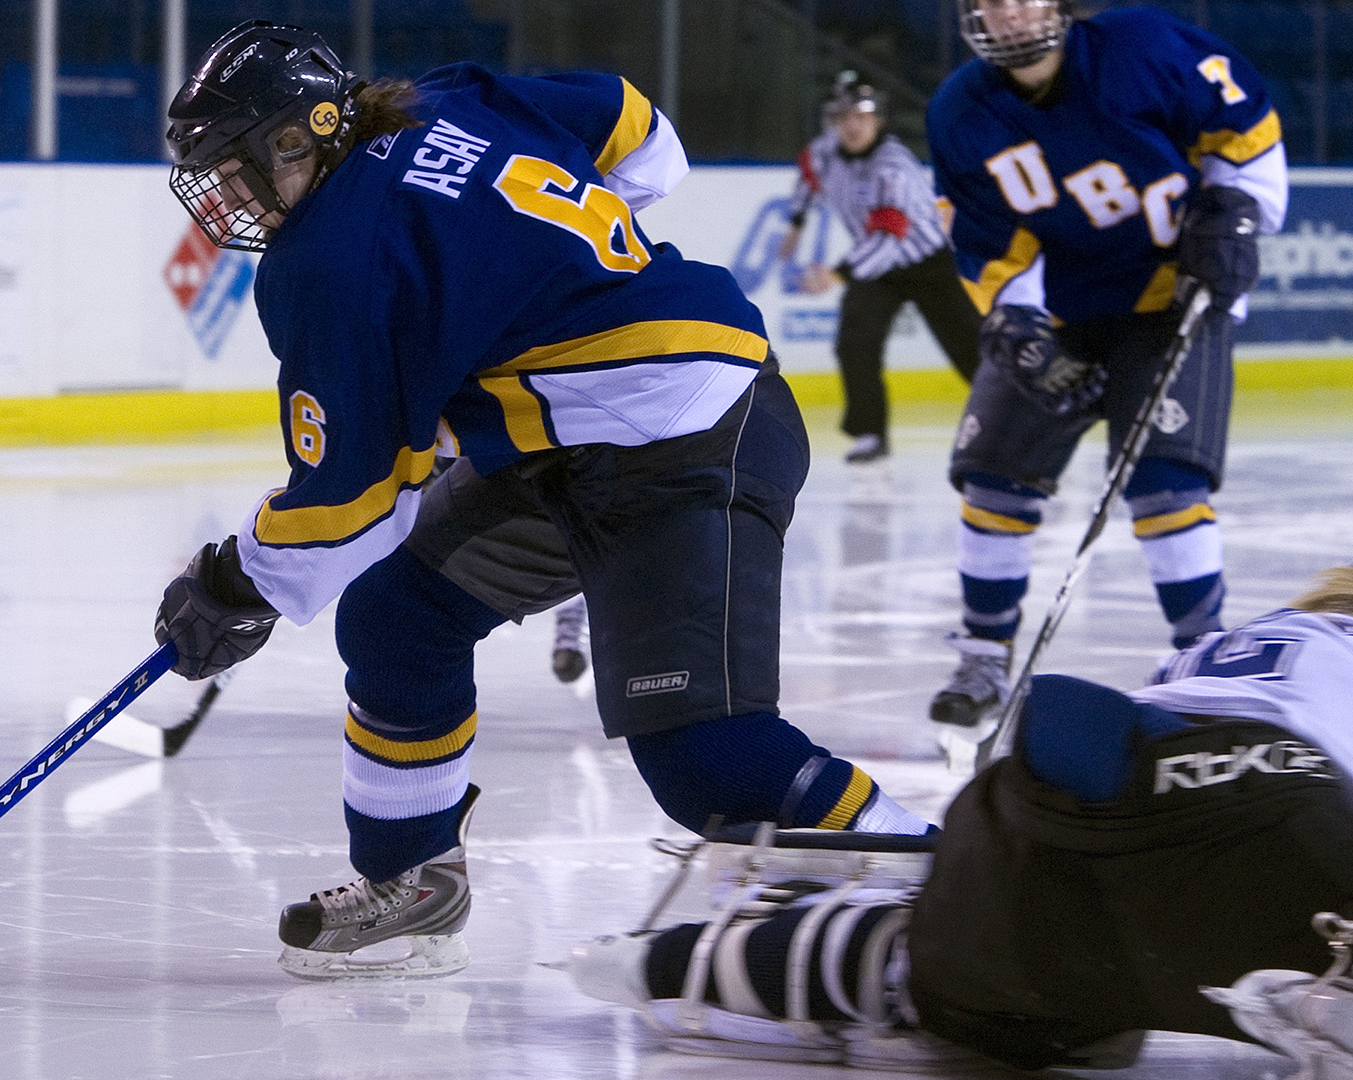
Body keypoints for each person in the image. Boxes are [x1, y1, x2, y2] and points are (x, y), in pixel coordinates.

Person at [152, 21, 936, 981]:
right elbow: (643, 132)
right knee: (400, 615)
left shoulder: (328, 261)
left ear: (305, 132)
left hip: (687, 435)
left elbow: (347, 506)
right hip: (588, 434)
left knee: (712, 763)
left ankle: (953, 885)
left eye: (238, 165)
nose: (228, 198)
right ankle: (412, 875)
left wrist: (233, 584)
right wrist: (539, 286)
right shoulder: (451, 94)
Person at [564, 566, 1353, 1072]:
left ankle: (666, 961)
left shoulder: (1234, 647)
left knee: (975, 973)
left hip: (1051, 800)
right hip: (1282, 803)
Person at [922, 0, 1287, 732]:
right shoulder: (961, 112)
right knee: (993, 479)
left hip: (1172, 297)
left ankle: (1203, 655)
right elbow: (991, 243)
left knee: (1165, 485)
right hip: (1061, 309)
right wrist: (1019, 325)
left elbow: (1244, 126)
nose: (1009, 12)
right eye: (989, 0)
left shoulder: (1141, 47)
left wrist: (1237, 211)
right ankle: (984, 658)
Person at [777, 71, 980, 465]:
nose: (852, 126)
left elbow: (890, 237)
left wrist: (836, 274)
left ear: (878, 120)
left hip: (927, 262)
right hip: (875, 265)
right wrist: (797, 223)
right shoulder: (823, 152)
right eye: (843, 117)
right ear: (832, 121)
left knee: (969, 346)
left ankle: (1010, 423)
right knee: (855, 342)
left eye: (862, 116)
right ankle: (870, 433)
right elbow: (807, 176)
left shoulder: (894, 168)